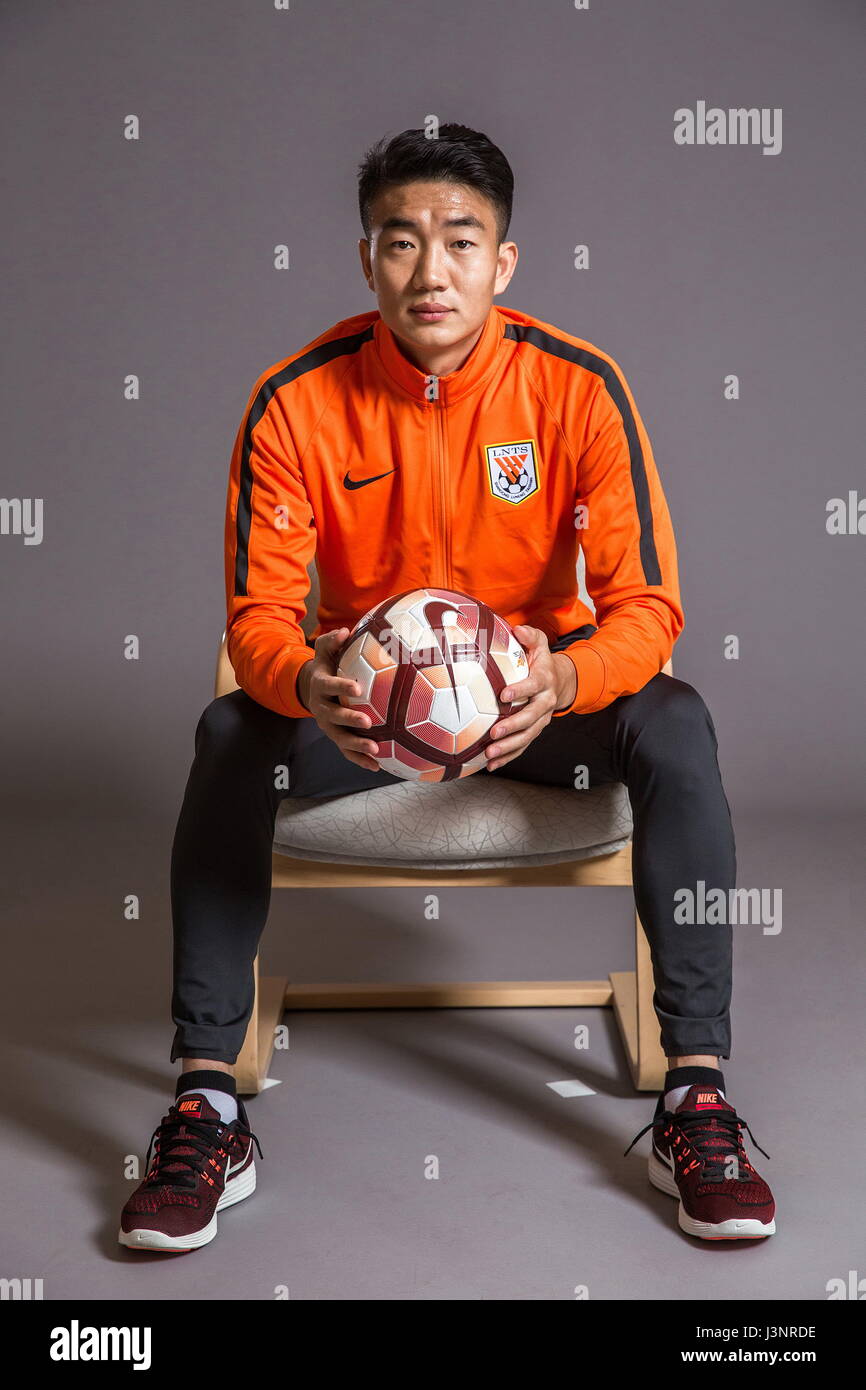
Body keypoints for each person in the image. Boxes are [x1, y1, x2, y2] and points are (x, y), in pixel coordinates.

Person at [119, 123, 775, 1253]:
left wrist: (565, 676)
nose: (431, 271)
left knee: (674, 717)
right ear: (365, 257)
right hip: (365, 725)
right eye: (401, 241)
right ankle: (204, 1099)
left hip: (536, 717)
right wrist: (304, 679)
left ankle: (695, 1092)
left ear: (502, 263)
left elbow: (647, 607)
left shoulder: (575, 388)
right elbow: (258, 620)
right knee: (233, 728)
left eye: (460, 241)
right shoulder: (295, 402)